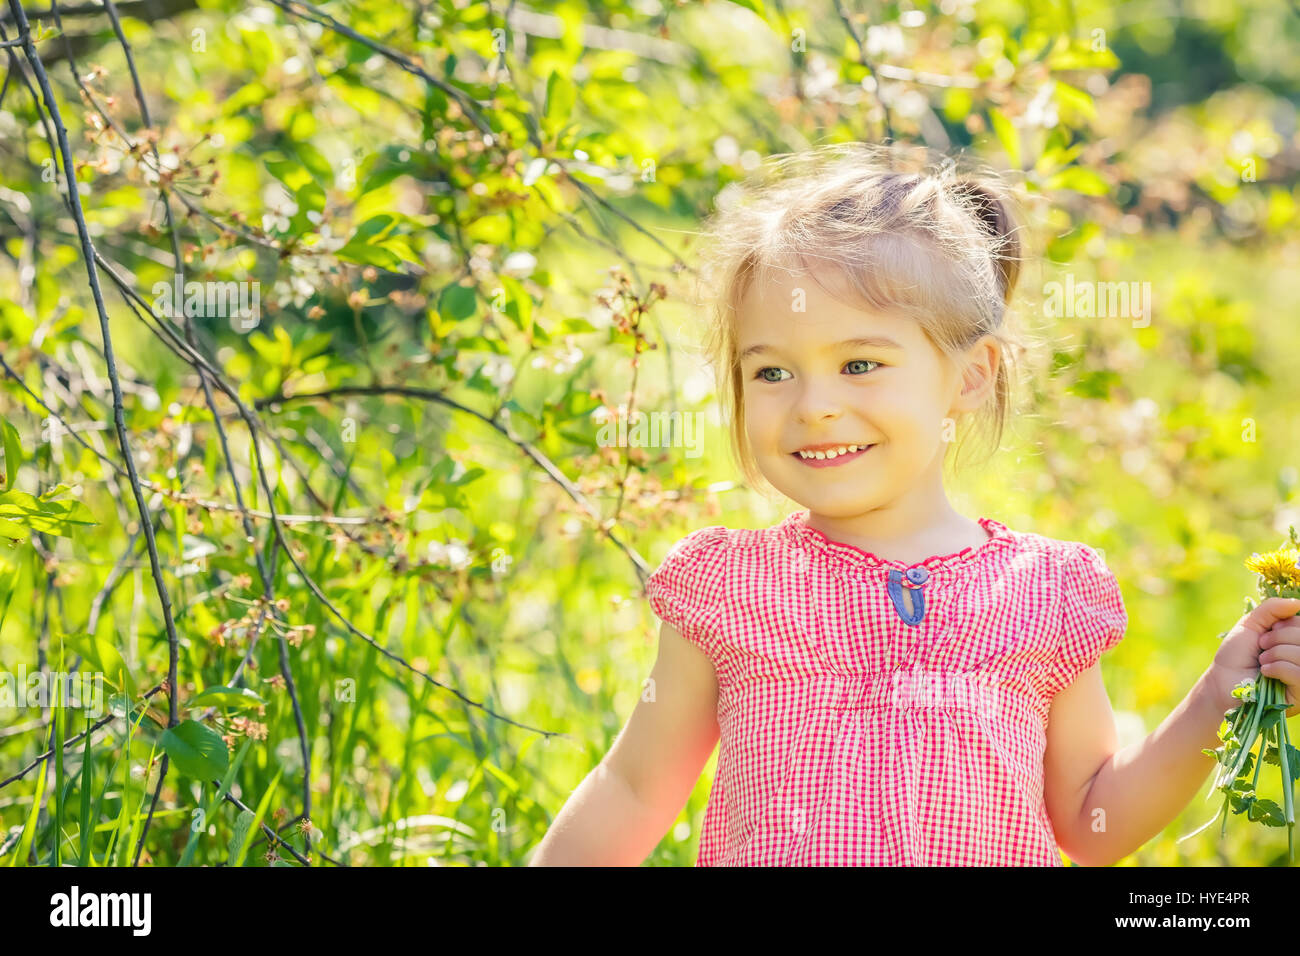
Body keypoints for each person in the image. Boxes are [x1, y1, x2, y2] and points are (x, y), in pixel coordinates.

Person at [528, 141, 1300, 866]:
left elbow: (1093, 822)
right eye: (771, 373)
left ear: (970, 377)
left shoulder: (1044, 592)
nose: (814, 406)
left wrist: (1217, 696)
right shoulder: (729, 588)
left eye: (859, 363)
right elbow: (633, 789)